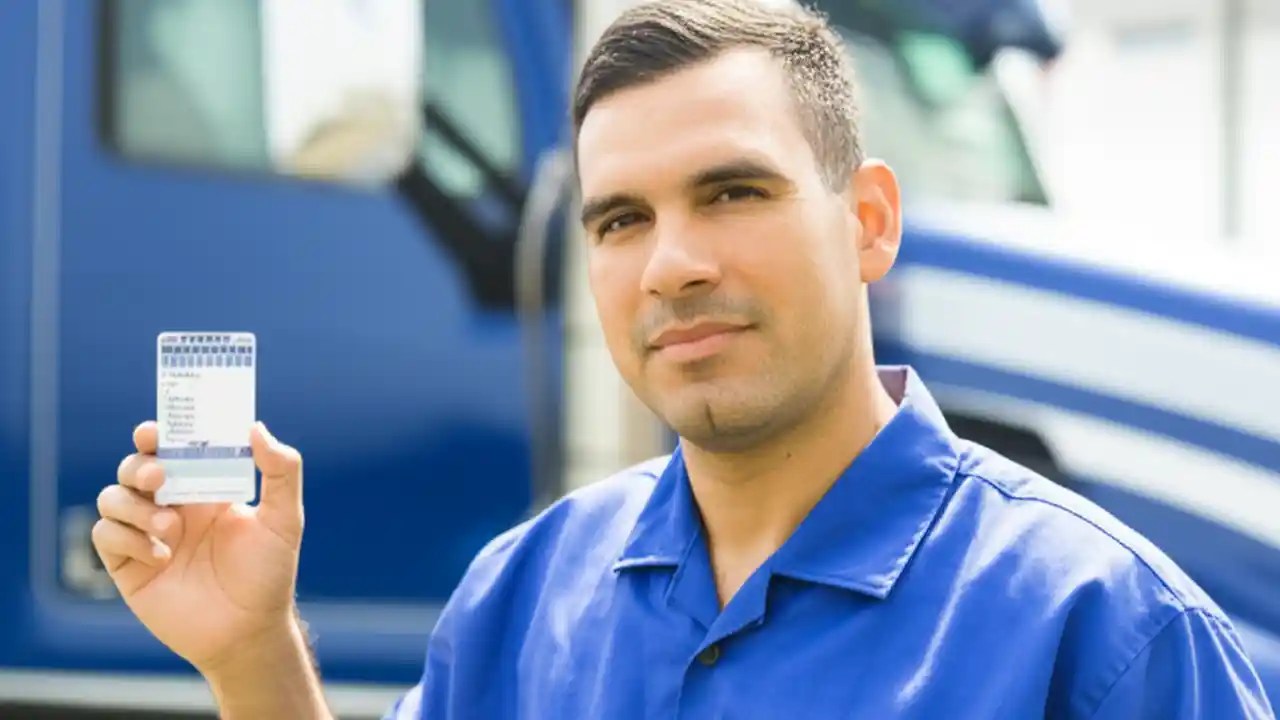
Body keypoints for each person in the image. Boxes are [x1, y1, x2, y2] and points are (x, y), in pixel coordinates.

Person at [93, 1, 1275, 718]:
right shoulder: (520, 599)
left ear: (867, 220)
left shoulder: (1105, 634)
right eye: (619, 219)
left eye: (731, 191)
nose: (670, 265)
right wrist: (251, 658)